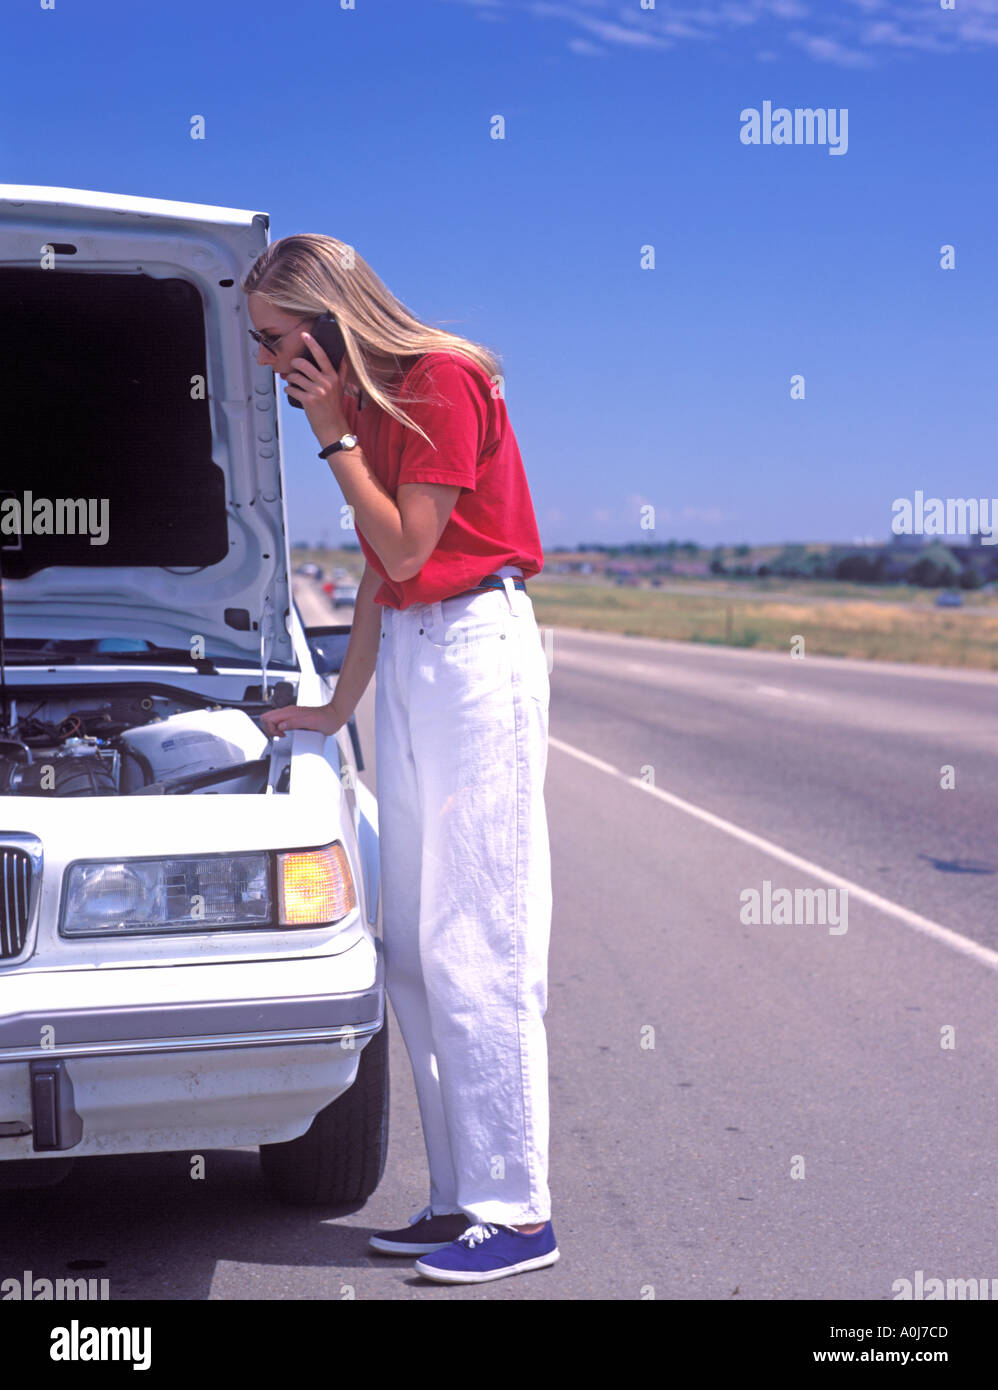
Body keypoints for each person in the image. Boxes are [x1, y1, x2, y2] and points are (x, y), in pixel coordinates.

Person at [244, 234, 558, 1284]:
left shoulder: (443, 380)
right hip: (421, 653)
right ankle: (460, 1197)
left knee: (480, 938)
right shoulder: (372, 407)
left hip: (476, 648)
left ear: (326, 326)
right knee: (415, 951)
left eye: (275, 340)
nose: (264, 362)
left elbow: (416, 549)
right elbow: (381, 573)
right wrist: (339, 702)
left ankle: (518, 1210)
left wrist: (332, 434)